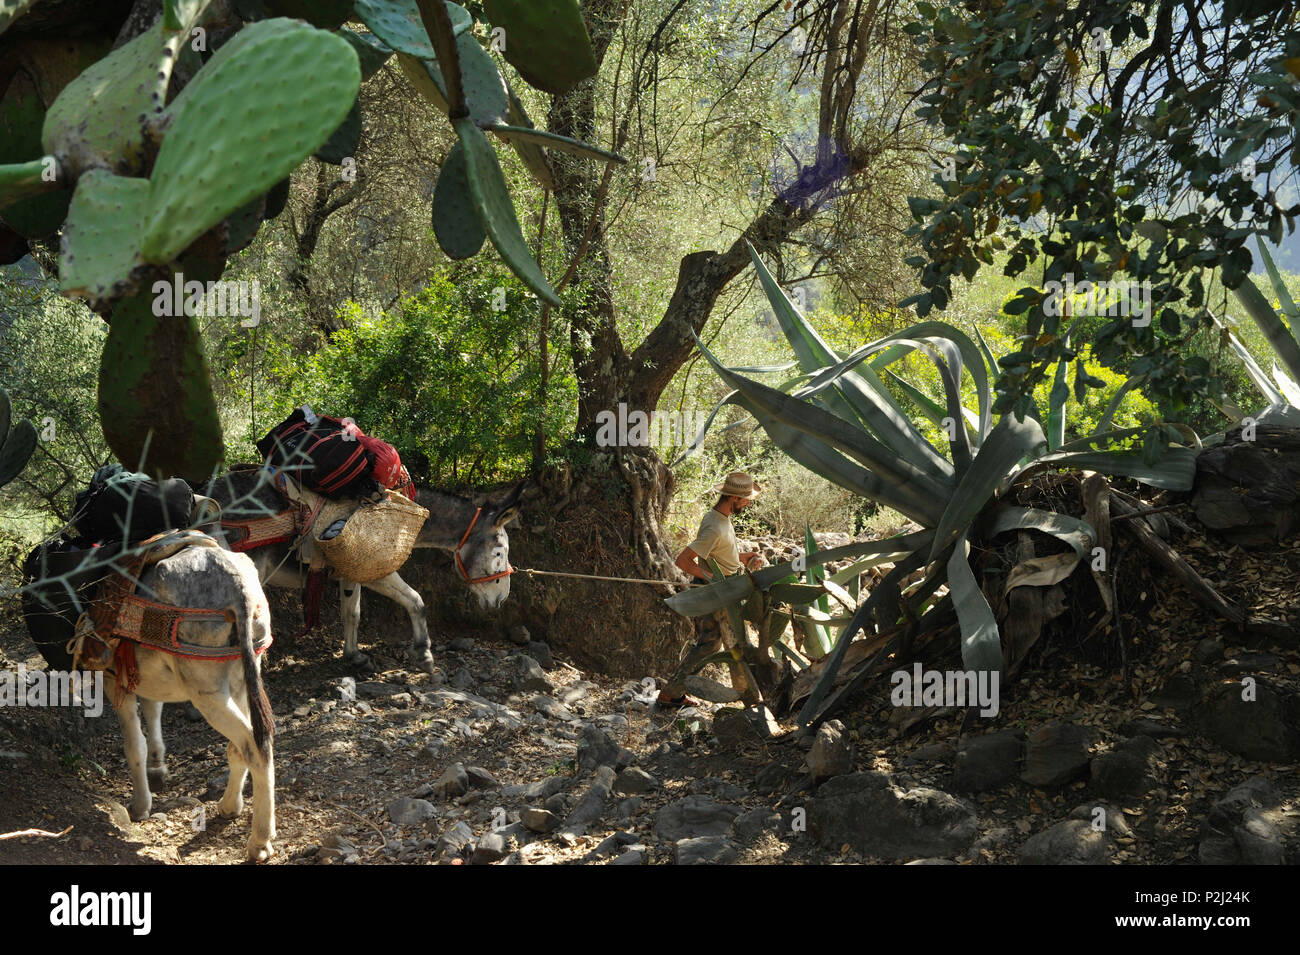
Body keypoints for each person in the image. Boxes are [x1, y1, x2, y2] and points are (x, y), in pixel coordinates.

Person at [658, 471, 766, 707]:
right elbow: (683, 561)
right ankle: (749, 699)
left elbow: (721, 555)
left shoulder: (719, 517)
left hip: (718, 592)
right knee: (736, 645)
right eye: (746, 499)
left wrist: (745, 558)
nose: (748, 503)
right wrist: (713, 579)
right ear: (734, 498)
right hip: (716, 595)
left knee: (709, 645)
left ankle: (671, 693)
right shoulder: (715, 527)